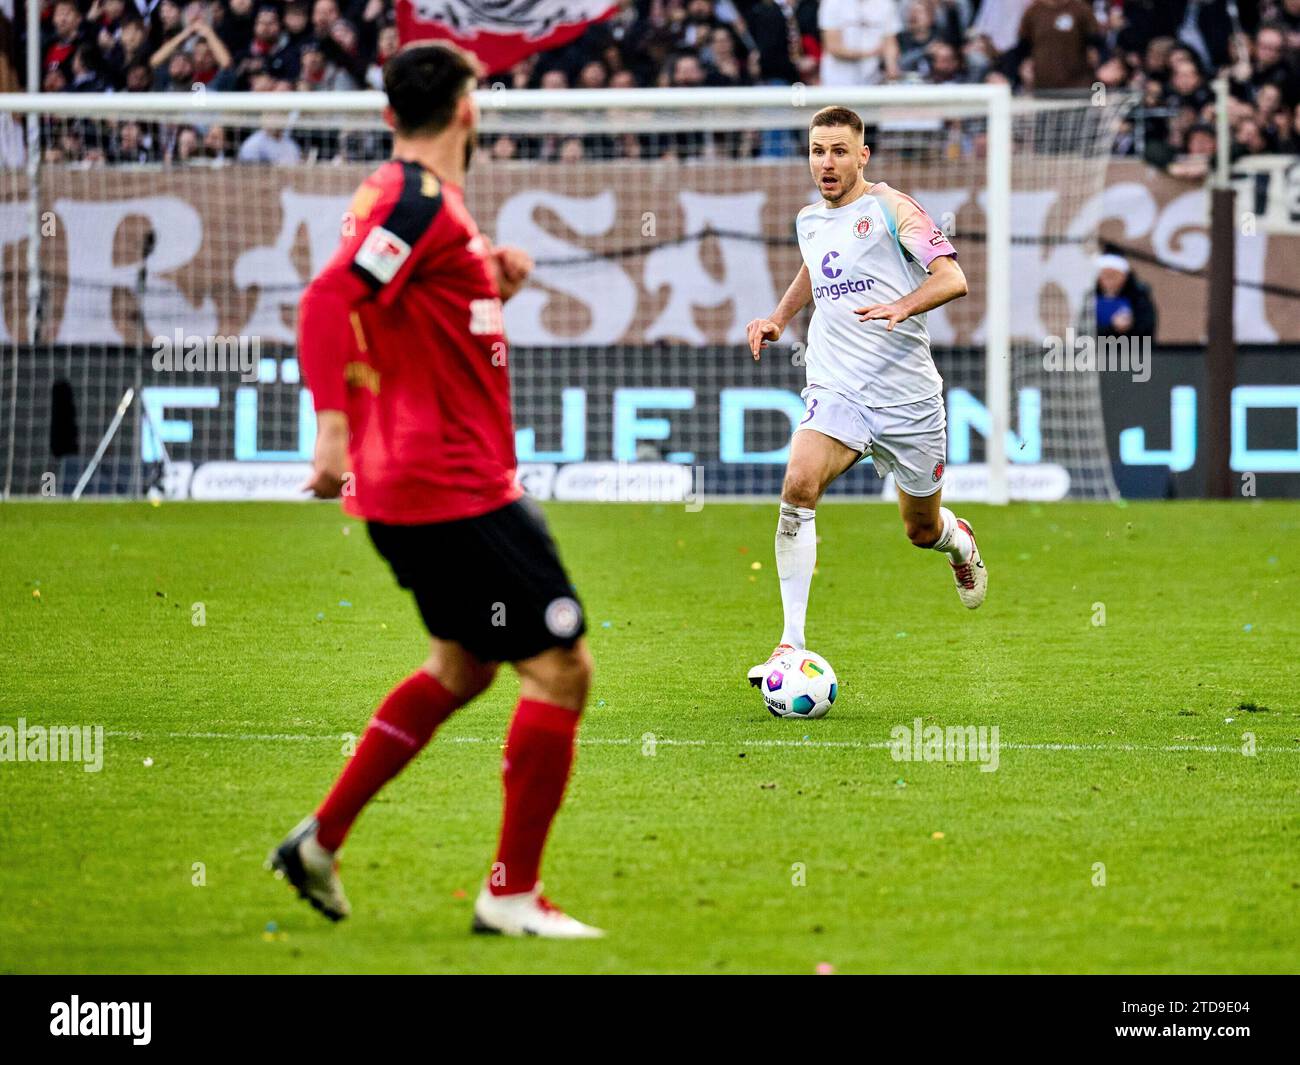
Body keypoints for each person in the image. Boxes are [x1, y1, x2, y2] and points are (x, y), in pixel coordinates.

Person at [270, 40, 602, 940]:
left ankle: (319, 839)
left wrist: (487, 284)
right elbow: (324, 303)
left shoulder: (415, 205)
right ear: (468, 109)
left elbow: (392, 305)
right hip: (448, 485)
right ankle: (511, 894)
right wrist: (331, 427)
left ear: (390, 115)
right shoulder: (416, 201)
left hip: (420, 484)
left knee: (465, 663)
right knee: (564, 668)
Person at [744, 105, 984, 684]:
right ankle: (789, 645)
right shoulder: (809, 219)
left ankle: (959, 543)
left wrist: (903, 305)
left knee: (919, 531)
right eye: (817, 151)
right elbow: (815, 266)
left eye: (838, 152)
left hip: (908, 401)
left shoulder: (891, 208)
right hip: (838, 388)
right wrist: (779, 317)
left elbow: (953, 277)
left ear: (862, 155)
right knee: (798, 484)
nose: (826, 163)